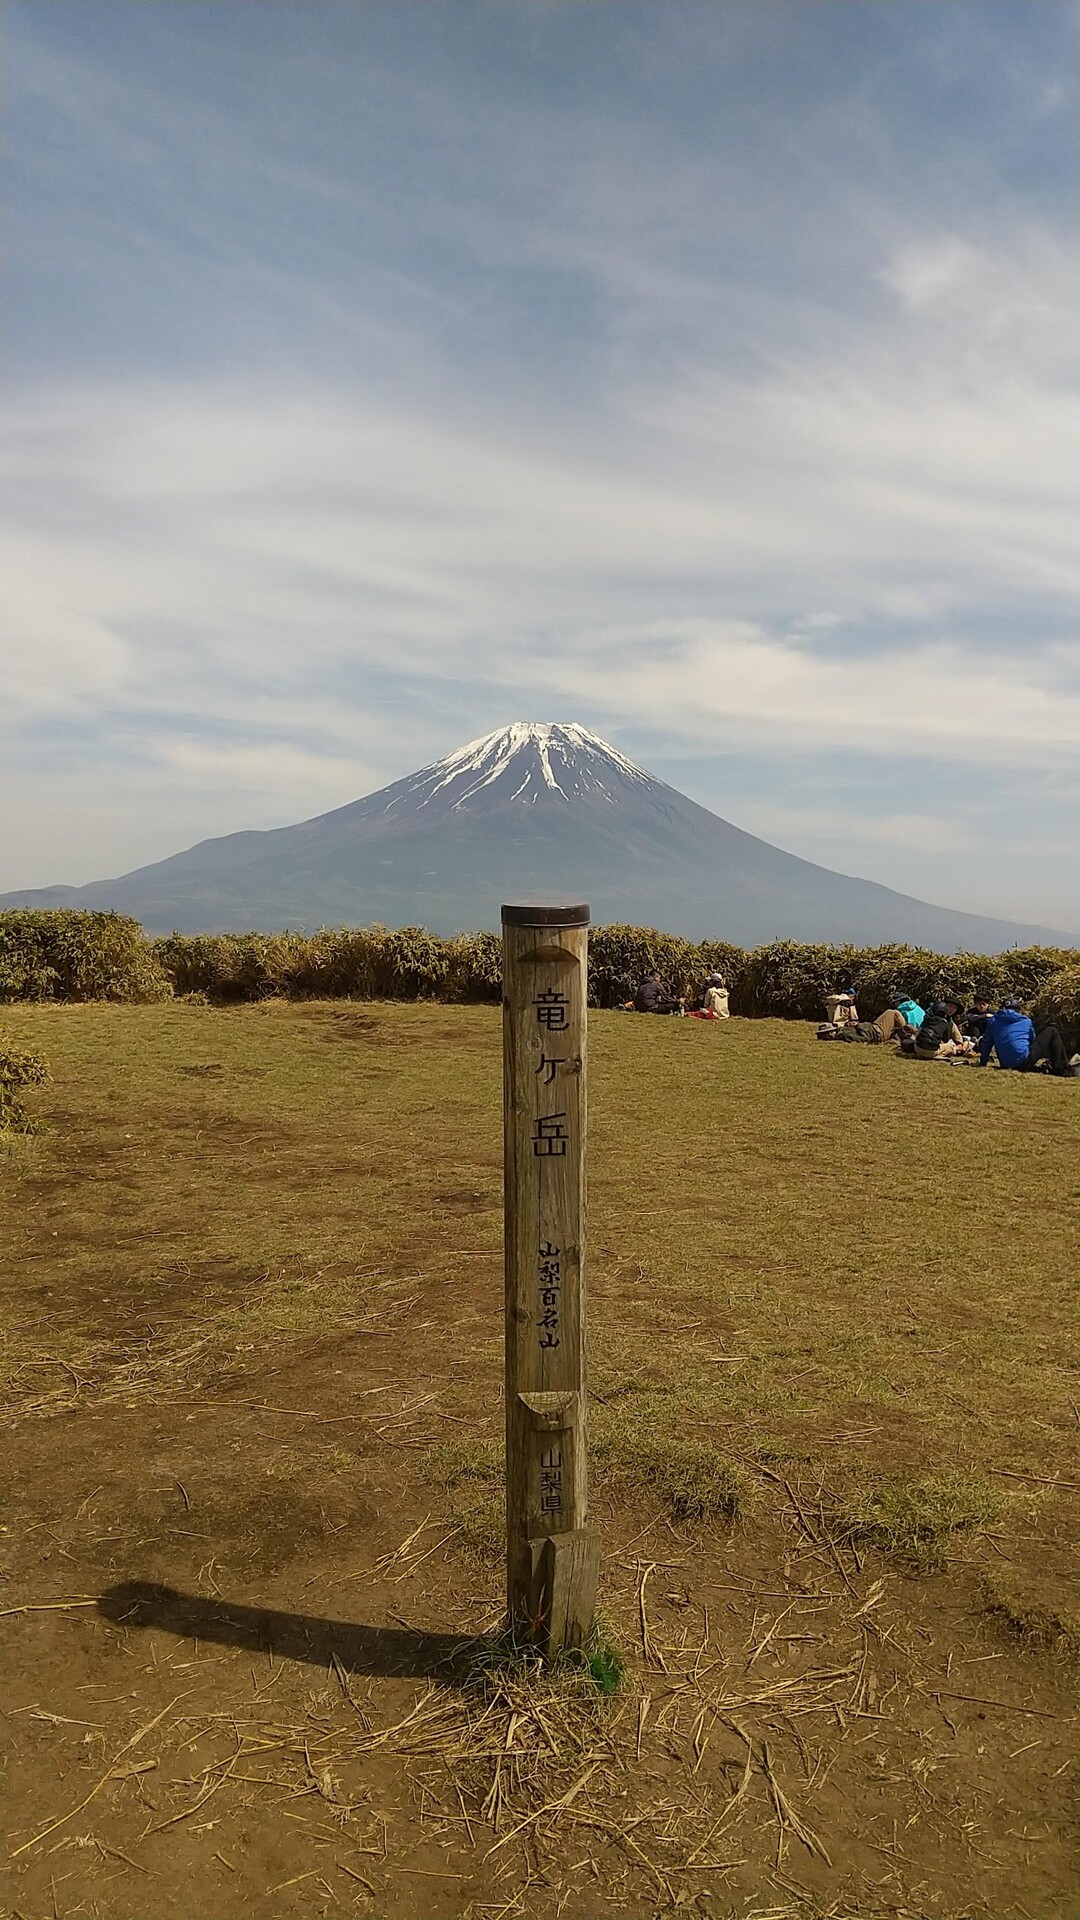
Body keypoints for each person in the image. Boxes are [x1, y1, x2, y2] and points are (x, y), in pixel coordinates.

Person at [978, 1001, 1078, 1077]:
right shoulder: (1025, 1020)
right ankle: (1060, 1068)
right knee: (1052, 1031)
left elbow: (987, 1043)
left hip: (1005, 1063)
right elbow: (1032, 1039)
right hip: (1023, 1061)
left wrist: (983, 1063)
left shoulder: (993, 1021)